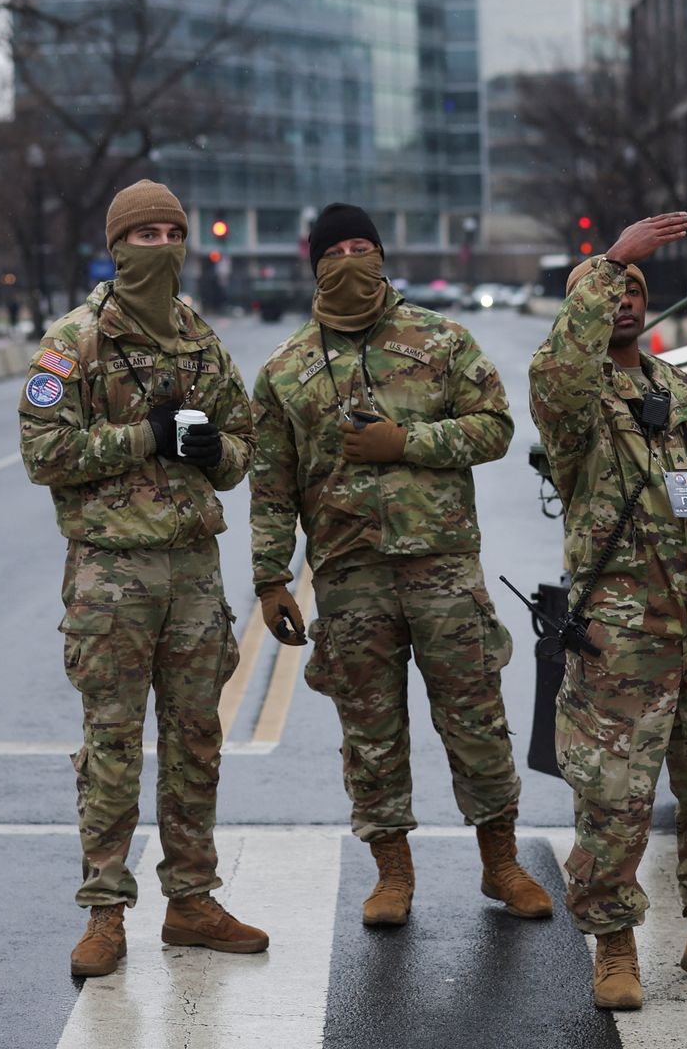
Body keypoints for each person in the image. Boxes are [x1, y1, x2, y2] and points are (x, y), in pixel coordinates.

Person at [248, 203, 553, 928]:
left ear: (382, 256)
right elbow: (271, 481)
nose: (351, 260)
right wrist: (270, 577)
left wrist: (407, 442)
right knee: (370, 733)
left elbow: (495, 428)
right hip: (348, 576)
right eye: (336, 251)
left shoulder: (440, 340)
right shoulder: (285, 370)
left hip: (442, 568)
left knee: (476, 720)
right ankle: (392, 873)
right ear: (315, 265)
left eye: (363, 247)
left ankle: (501, 863)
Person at [528, 213, 687, 1011]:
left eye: (636, 288)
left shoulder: (680, 390)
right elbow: (556, 376)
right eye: (609, 290)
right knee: (614, 795)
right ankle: (613, 946)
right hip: (624, 637)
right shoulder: (574, 403)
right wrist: (609, 260)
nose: (625, 298)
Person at [19, 179, 268, 978]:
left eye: (172, 233)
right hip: (112, 573)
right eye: (145, 234)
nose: (161, 247)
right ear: (117, 245)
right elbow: (43, 453)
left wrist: (216, 453)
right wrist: (144, 438)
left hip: (193, 569)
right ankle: (104, 913)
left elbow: (243, 443)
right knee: (113, 746)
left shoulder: (201, 340)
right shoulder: (75, 341)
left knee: (196, 741)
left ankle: (191, 901)